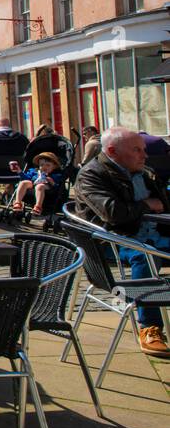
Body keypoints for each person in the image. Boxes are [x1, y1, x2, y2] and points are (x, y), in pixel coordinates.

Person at [73, 127, 170, 358]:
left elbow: (164, 204)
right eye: (136, 150)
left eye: (143, 150)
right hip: (113, 240)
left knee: (149, 249)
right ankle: (150, 327)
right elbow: (112, 214)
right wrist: (147, 205)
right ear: (112, 151)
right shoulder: (92, 174)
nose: (143, 155)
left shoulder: (144, 172)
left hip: (151, 234)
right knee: (145, 256)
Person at [10, 151, 63, 215]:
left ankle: (38, 206)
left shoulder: (55, 175)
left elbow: (57, 186)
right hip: (33, 184)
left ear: (54, 166)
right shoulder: (34, 171)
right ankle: (18, 202)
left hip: (47, 187)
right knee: (23, 182)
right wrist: (19, 171)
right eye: (41, 165)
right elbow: (26, 178)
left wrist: (52, 182)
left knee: (39, 186)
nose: (44, 167)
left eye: (48, 165)